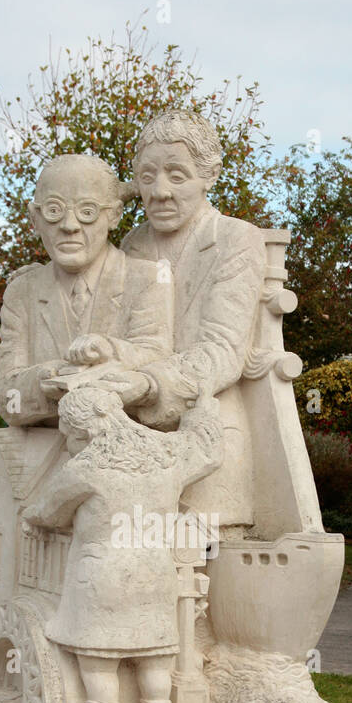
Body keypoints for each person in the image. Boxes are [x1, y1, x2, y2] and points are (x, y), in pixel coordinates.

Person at [21, 383, 223, 703]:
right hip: (154, 573)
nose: (67, 445)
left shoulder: (84, 469)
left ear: (83, 432)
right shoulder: (167, 456)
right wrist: (202, 408)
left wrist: (31, 515)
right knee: (154, 646)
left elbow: (48, 512)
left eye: (67, 436)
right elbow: (208, 451)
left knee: (99, 648)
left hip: (100, 574)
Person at [111, 109, 267, 527]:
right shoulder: (132, 245)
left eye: (176, 175)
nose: (159, 191)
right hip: (131, 430)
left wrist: (150, 384)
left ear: (208, 176)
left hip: (206, 427)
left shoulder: (236, 239)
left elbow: (223, 351)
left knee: (189, 570)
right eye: (147, 177)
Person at [0, 154, 173, 427]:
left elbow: (158, 362)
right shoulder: (22, 292)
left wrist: (108, 349)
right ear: (35, 218)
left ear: (113, 216)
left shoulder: (148, 279)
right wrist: (48, 379)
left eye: (87, 212)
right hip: (35, 455)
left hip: (123, 453)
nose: (70, 225)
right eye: (54, 210)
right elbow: (7, 399)